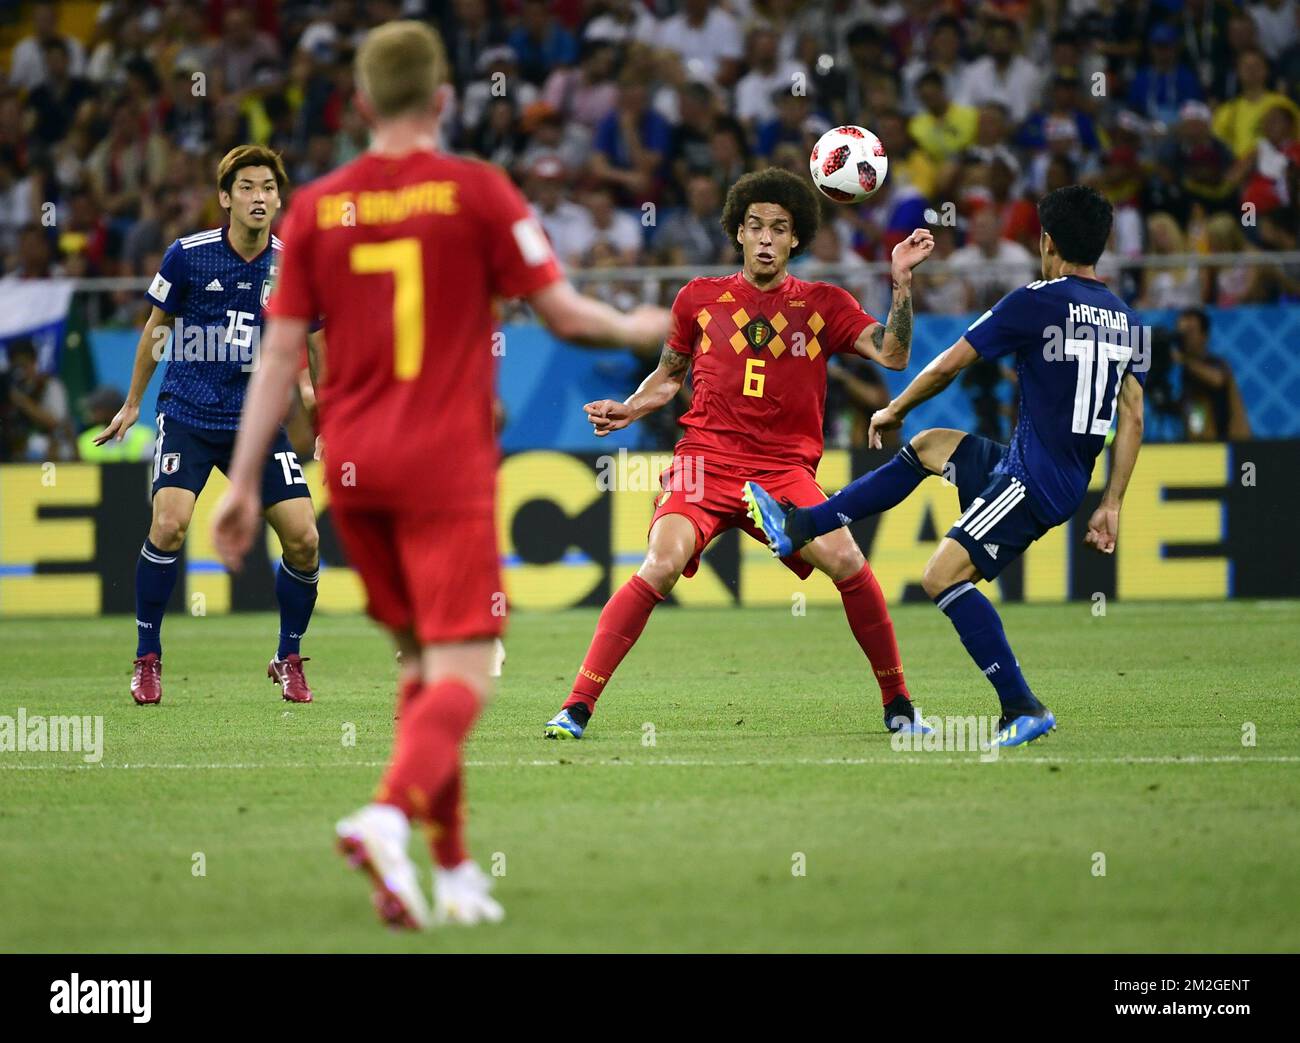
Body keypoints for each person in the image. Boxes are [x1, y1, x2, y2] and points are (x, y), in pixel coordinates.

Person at [209, 21, 669, 930]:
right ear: (447, 101)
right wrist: (640, 325)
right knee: (471, 667)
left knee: (422, 671)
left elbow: (279, 354)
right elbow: (568, 316)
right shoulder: (475, 191)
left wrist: (242, 479)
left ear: (363, 103)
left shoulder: (320, 207)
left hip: (353, 464)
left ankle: (454, 869)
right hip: (443, 465)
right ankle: (385, 815)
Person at [542, 167, 936, 742]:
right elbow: (667, 377)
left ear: (796, 238)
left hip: (783, 471)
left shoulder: (824, 304)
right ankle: (575, 707)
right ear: (740, 234)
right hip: (704, 461)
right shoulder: (698, 298)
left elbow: (895, 354)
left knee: (851, 565)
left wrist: (900, 282)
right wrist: (631, 408)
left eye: (780, 227)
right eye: (756, 226)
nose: (768, 238)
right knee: (661, 563)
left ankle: (899, 705)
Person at [746, 185, 1146, 748]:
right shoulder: (1128, 321)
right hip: (1054, 474)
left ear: (1046, 240)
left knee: (941, 577)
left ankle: (1022, 707)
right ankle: (804, 526)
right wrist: (1111, 503)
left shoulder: (1036, 301)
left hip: (1029, 482)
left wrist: (893, 407)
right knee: (933, 446)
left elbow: (946, 367)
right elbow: (1131, 417)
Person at [94, 145, 323, 707]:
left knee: (305, 540)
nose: (259, 198)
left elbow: (315, 339)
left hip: (257, 423)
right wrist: (132, 404)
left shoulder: (293, 264)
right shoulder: (187, 256)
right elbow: (156, 329)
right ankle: (148, 657)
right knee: (169, 525)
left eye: (268, 188)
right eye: (246, 187)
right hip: (190, 413)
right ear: (225, 198)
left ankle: (287, 655)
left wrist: (324, 409)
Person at [1173, 307, 1252, 441]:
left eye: (1190, 331)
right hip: (1200, 442)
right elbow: (1195, 414)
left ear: (1205, 335)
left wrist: (1184, 361)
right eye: (1181, 331)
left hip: (1228, 445)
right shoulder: (1186, 372)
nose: (1185, 336)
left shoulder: (1217, 364)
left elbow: (1217, 379)